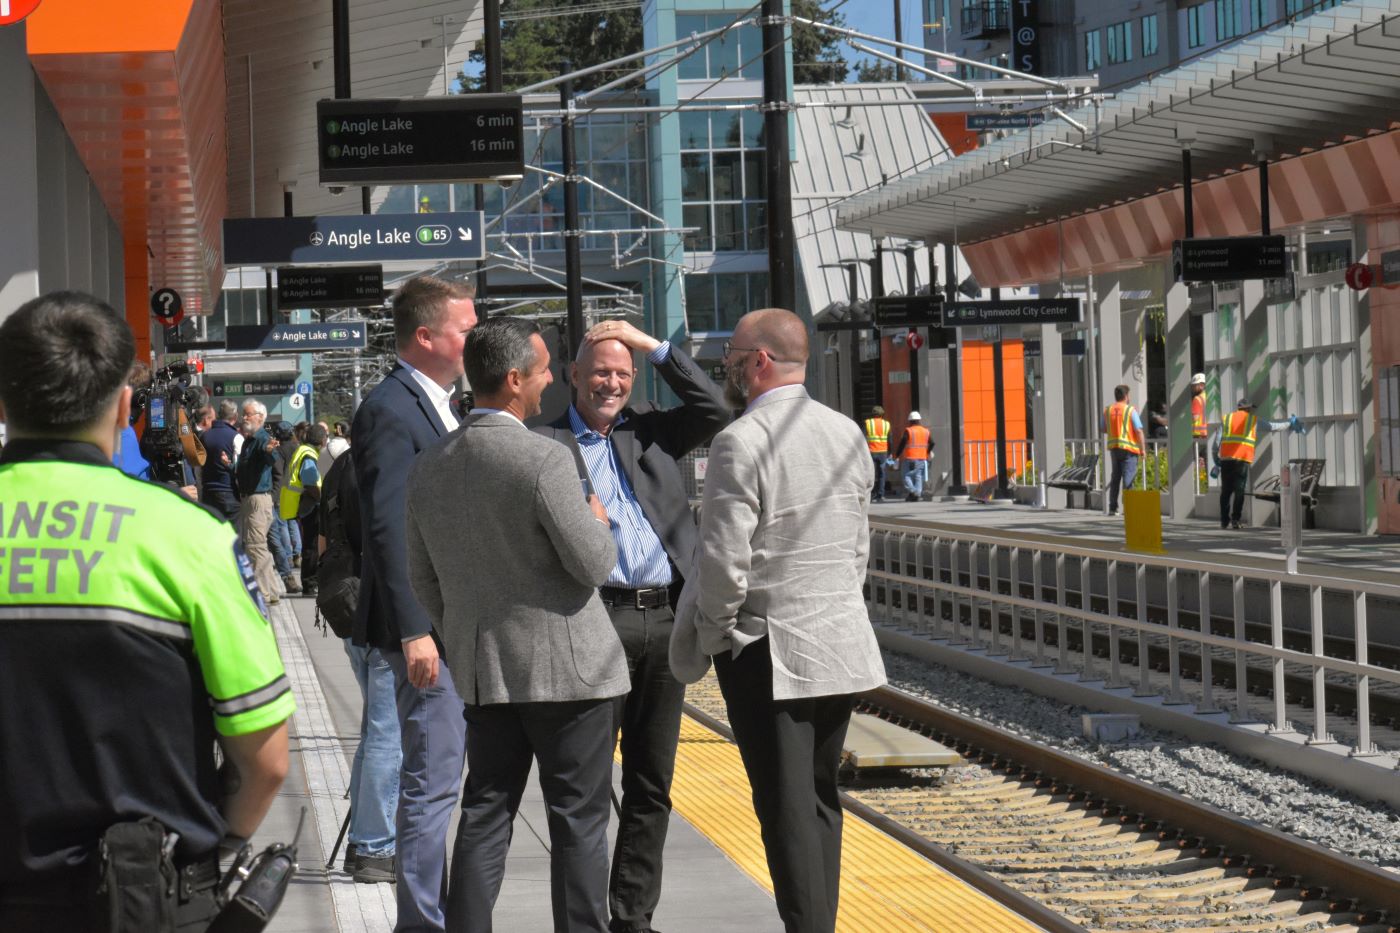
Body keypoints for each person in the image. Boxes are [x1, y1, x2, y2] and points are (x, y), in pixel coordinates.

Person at [0, 291, 294, 932]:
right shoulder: (187, 536)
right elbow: (266, 760)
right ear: (125, 407)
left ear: (3, 401)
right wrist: (210, 857)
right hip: (139, 900)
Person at [405, 316, 629, 933]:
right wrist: (600, 524)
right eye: (541, 371)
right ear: (511, 381)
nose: (550, 380)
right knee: (578, 821)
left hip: (485, 671)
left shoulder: (430, 465)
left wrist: (464, 634)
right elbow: (592, 564)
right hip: (572, 676)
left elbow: (422, 577)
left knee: (485, 813)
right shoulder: (544, 459)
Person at [670, 308, 887, 933]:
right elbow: (858, 546)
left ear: (758, 361)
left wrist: (717, 636)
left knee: (784, 809)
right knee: (820, 803)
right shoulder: (847, 432)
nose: (728, 368)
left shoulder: (742, 440)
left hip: (769, 652)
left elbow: (723, 561)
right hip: (839, 646)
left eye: (731, 357)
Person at [533, 318, 728, 933]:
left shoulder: (653, 429)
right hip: (591, 621)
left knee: (652, 785)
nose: (611, 383)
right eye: (599, 372)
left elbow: (715, 406)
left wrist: (652, 346)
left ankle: (633, 917)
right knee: (586, 794)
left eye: (622, 372)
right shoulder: (545, 443)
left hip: (665, 619)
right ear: (573, 377)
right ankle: (584, 921)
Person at [352, 274, 476, 931]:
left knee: (444, 782)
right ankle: (422, 922)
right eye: (464, 327)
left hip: (461, 624)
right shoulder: (391, 408)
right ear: (426, 336)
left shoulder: (441, 403)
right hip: (428, 634)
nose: (474, 338)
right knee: (430, 784)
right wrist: (414, 630)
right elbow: (388, 524)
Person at [319, 449, 403, 884]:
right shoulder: (384, 464)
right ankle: (375, 846)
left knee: (375, 730)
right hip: (385, 613)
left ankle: (362, 842)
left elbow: (321, 540)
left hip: (348, 605)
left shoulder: (338, 469)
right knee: (388, 732)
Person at [1211, 398, 1306, 530]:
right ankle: (1235, 520)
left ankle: (1223, 521)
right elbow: (1272, 427)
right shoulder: (1252, 421)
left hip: (1226, 460)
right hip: (1241, 461)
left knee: (1226, 492)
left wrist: (1215, 457)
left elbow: (1216, 442)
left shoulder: (1227, 419)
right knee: (1239, 491)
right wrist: (1290, 423)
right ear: (1248, 409)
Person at [234, 399, 283, 604]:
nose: (244, 417)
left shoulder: (262, 438)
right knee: (259, 547)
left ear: (260, 417)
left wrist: (270, 451)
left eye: (248, 414)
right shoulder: (249, 439)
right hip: (251, 498)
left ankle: (261, 594)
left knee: (255, 547)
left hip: (257, 499)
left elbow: (271, 457)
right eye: (243, 414)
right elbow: (245, 468)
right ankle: (271, 592)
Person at [281, 423, 327, 596]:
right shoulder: (308, 455)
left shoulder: (303, 450)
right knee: (312, 546)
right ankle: (310, 584)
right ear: (322, 440)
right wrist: (320, 498)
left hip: (303, 504)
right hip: (310, 505)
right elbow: (309, 482)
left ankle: (310, 582)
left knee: (311, 544)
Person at [1102, 384, 1144, 517]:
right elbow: (1138, 430)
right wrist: (1143, 449)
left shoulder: (1107, 410)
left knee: (1115, 478)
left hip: (1114, 449)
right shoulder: (1130, 410)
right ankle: (1129, 508)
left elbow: (1102, 428)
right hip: (1129, 450)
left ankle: (1113, 508)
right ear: (1126, 396)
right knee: (1128, 479)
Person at [200, 399, 241, 520]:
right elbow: (240, 468)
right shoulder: (235, 436)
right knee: (234, 533)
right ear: (235, 415)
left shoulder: (204, 436)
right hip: (229, 492)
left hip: (208, 492)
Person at [890, 410, 932, 502]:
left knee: (906, 476)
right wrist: (927, 452)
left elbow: (902, 443)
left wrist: (897, 455)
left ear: (910, 421)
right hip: (922, 458)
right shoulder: (926, 431)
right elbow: (932, 443)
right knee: (918, 476)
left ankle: (914, 492)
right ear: (919, 420)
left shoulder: (909, 430)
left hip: (910, 458)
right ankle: (916, 494)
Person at [862, 405, 891, 502]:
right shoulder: (886, 424)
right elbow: (890, 440)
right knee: (882, 474)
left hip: (871, 451)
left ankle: (871, 494)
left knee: (871, 473)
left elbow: (862, 438)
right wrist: (891, 453)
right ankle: (881, 494)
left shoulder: (868, 423)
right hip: (883, 452)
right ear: (882, 414)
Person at [1190, 373, 1209, 444]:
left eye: (1194, 385)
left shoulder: (1197, 399)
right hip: (1208, 432)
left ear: (1202, 385)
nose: (1192, 388)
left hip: (1198, 434)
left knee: (1198, 454)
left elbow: (1195, 417)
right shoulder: (1208, 397)